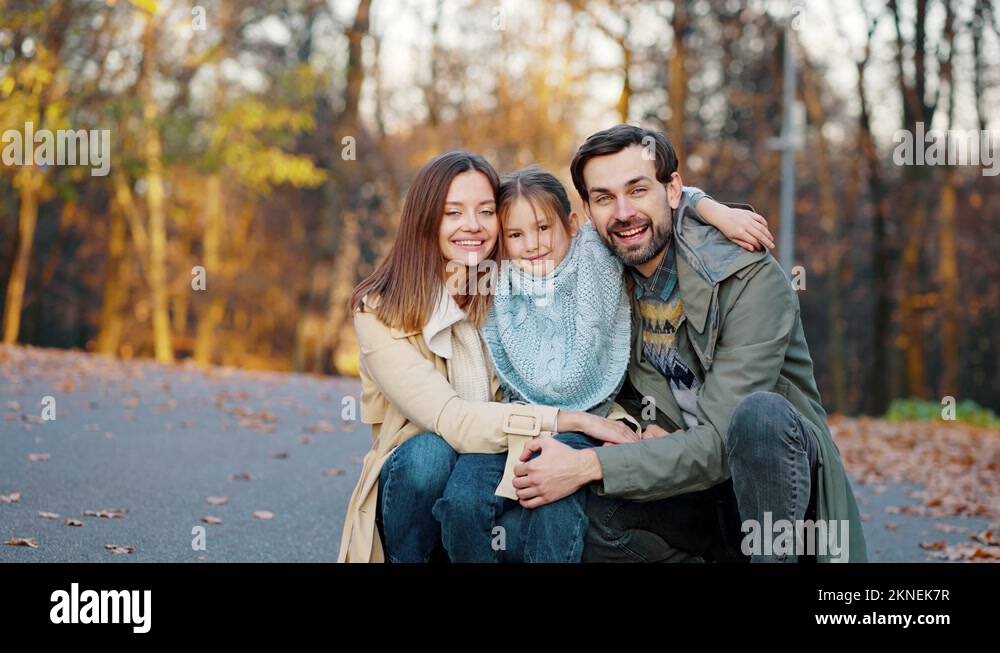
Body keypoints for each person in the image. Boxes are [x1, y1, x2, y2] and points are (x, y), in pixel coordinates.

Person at [509, 124, 869, 563]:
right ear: (587, 210)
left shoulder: (747, 276)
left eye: (637, 190)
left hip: (779, 495)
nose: (623, 213)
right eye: (604, 198)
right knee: (578, 515)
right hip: (688, 492)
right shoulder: (601, 278)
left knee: (759, 416)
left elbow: (721, 444)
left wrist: (589, 466)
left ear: (672, 189)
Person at [435, 165, 777, 562]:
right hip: (513, 422)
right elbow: (454, 243)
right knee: (460, 503)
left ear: (573, 224)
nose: (532, 244)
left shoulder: (595, 255)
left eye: (544, 228)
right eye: (515, 235)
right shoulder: (496, 278)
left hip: (586, 419)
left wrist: (713, 209)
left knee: (553, 504)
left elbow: (647, 204)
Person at [337, 151, 637, 563]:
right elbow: (454, 420)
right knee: (430, 455)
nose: (473, 225)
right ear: (426, 220)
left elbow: (629, 210)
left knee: (547, 501)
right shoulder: (376, 310)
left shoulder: (506, 282)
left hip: (505, 450)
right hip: (431, 472)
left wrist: (704, 206)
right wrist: (572, 419)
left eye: (484, 211)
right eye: (453, 212)